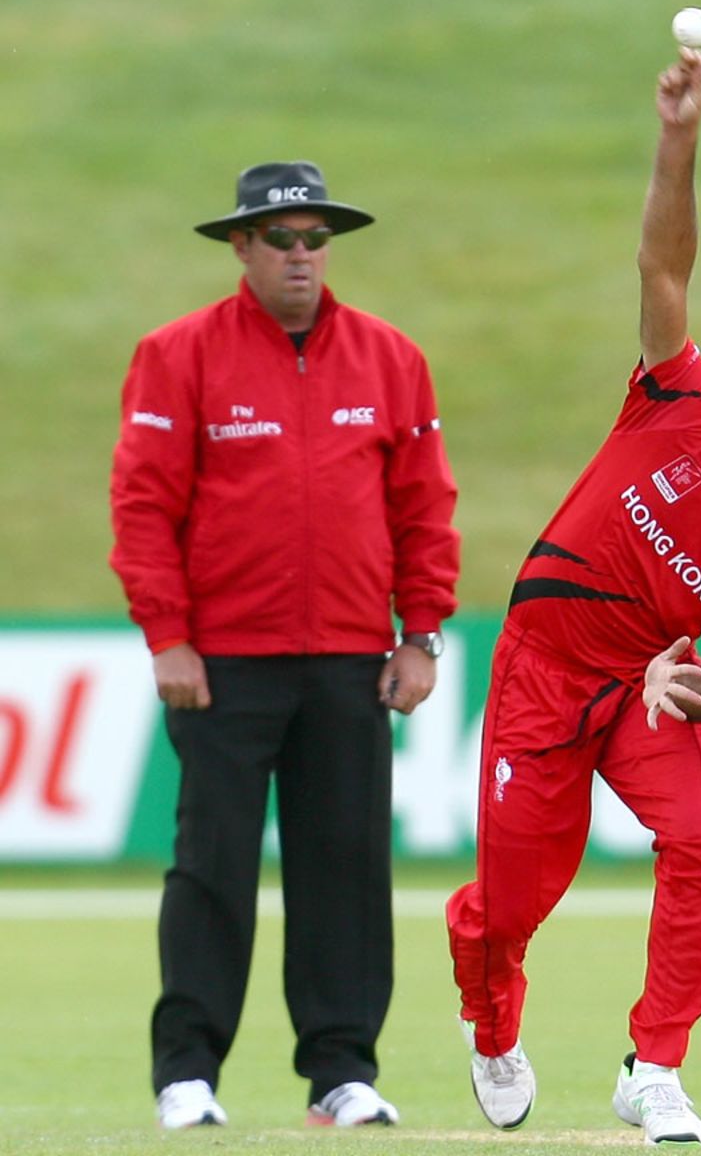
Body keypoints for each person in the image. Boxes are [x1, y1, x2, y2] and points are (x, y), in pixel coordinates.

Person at [445, 49, 701, 1145]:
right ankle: (492, 1029)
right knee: (510, 906)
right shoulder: (673, 402)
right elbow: (664, 265)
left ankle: (657, 1065)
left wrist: (698, 688)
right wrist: (679, 138)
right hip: (541, 671)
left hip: (643, 694)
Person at [109, 161, 460, 1129]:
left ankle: (341, 1072)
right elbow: (143, 506)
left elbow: (424, 508)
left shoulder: (391, 358)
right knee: (211, 865)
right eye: (282, 239)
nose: (302, 255)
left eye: (316, 238)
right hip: (221, 663)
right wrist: (168, 638)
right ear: (242, 247)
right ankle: (188, 1072)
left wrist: (420, 632)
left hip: (351, 659)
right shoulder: (178, 354)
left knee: (344, 867)